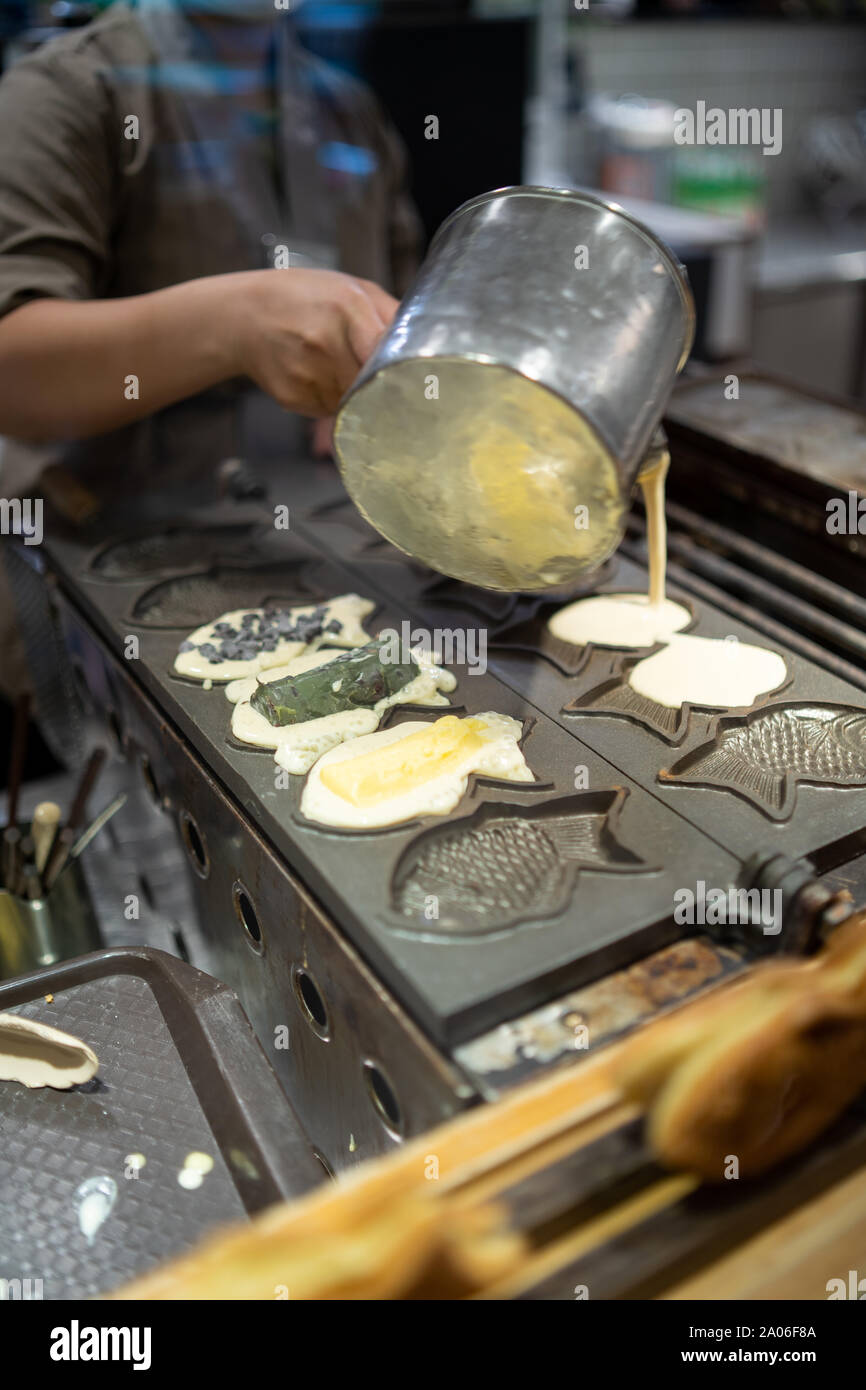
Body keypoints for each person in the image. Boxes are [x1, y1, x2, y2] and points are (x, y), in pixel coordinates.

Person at [0, 0, 421, 722]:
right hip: (110, 568)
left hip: (320, 564)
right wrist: (235, 324)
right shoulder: (67, 94)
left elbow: (407, 318)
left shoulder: (345, 110)